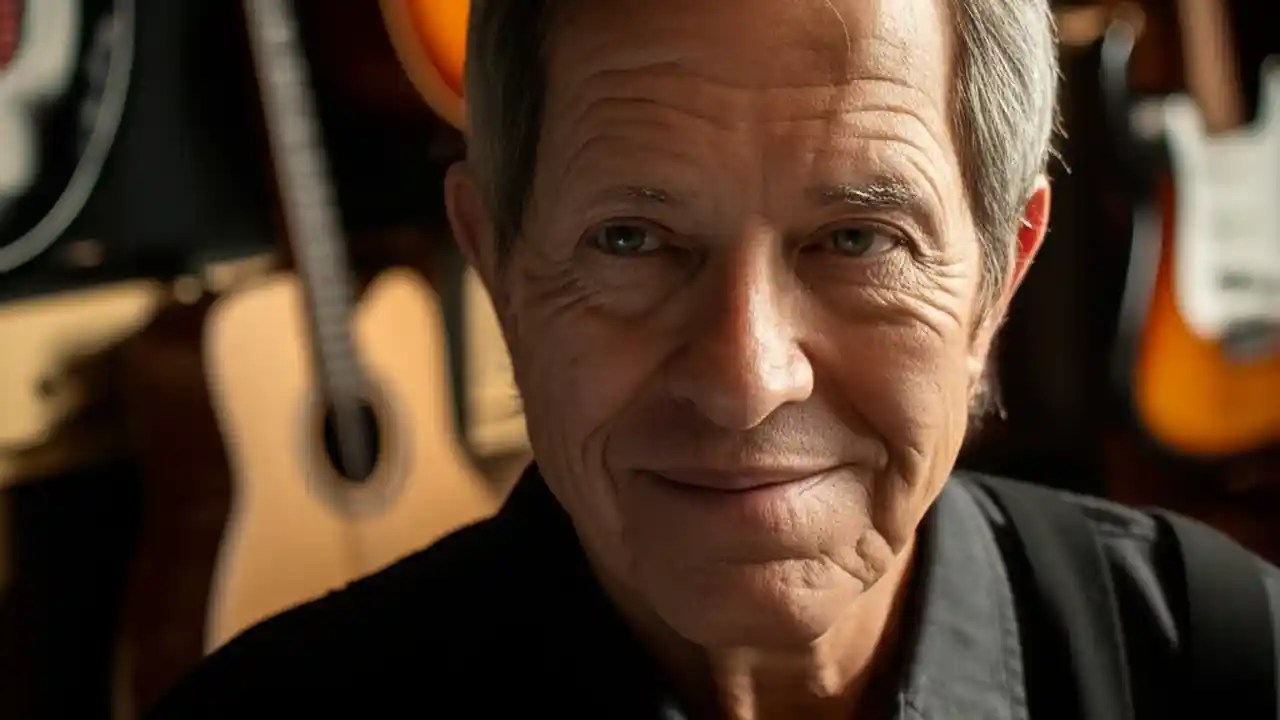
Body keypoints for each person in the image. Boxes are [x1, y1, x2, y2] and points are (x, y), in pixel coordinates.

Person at [151, 1, 1280, 718]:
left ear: (998, 275)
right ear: (497, 262)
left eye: (855, 240)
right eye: (632, 241)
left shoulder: (1229, 662)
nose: (745, 381)